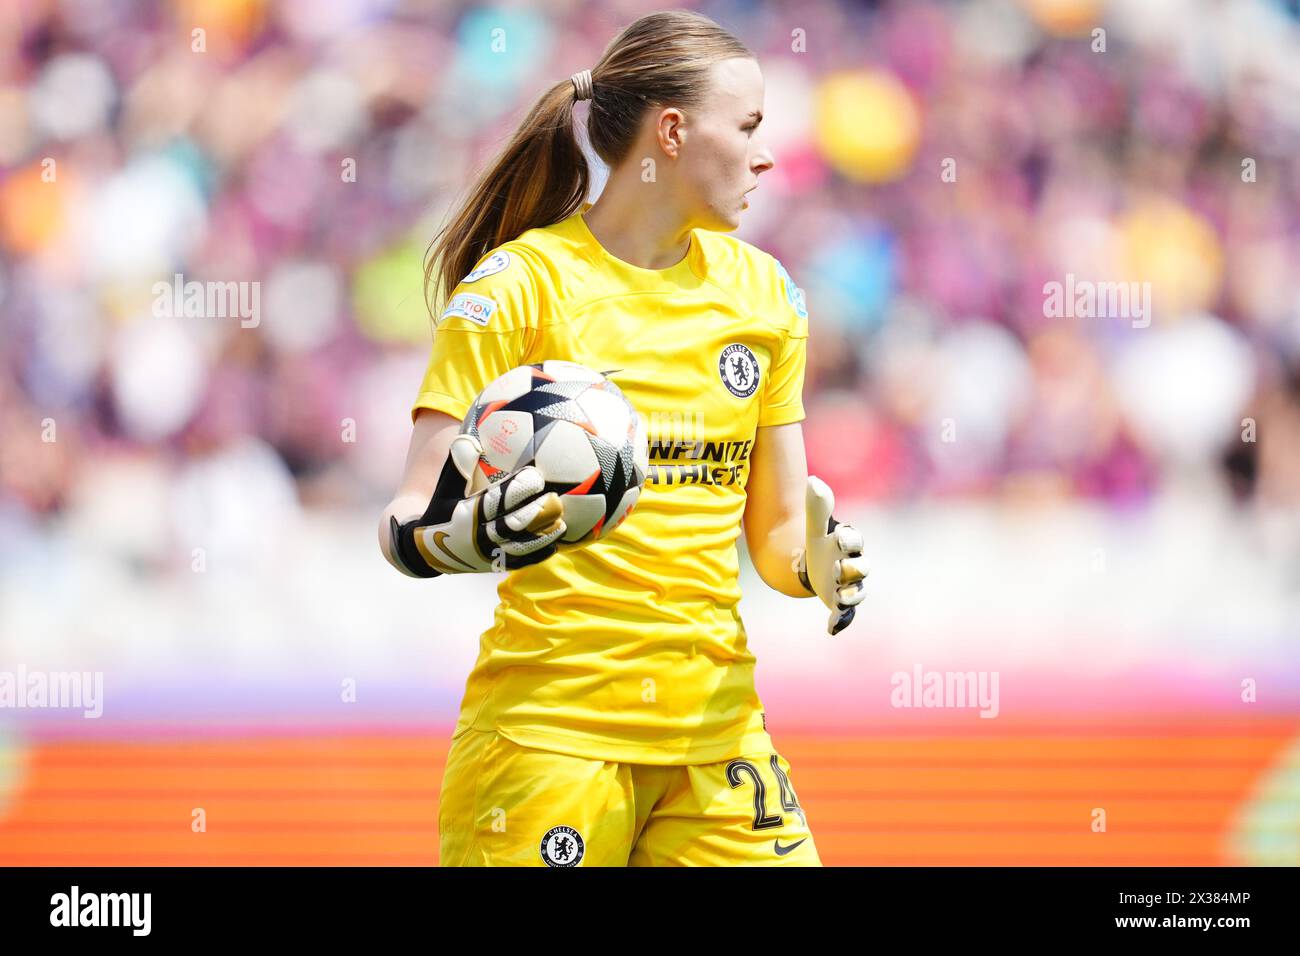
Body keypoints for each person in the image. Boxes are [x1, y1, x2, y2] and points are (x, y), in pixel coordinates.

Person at [378, 10, 867, 867]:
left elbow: (779, 531)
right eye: (749, 127)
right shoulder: (516, 289)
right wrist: (470, 538)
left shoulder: (765, 296)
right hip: (547, 742)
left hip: (718, 740)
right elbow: (407, 519)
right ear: (671, 132)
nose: (766, 156)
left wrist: (814, 568)